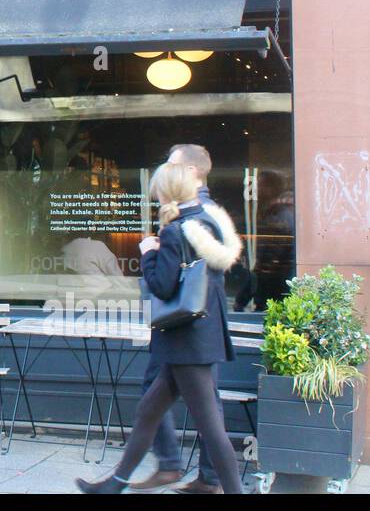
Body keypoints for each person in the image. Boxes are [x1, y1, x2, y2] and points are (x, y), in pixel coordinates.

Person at [76, 161, 244, 494]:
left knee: (210, 427)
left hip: (184, 341)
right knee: (149, 410)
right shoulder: (208, 221)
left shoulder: (174, 230)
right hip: (200, 336)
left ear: (166, 191)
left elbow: (162, 286)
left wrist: (148, 254)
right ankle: (115, 483)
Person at [131, 143, 241, 493]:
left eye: (172, 165)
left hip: (184, 331)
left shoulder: (189, 218)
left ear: (190, 173)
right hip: (195, 329)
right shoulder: (206, 213)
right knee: (198, 407)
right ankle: (184, 472)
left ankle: (189, 472)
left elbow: (165, 284)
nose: (166, 170)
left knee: (205, 413)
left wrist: (150, 255)